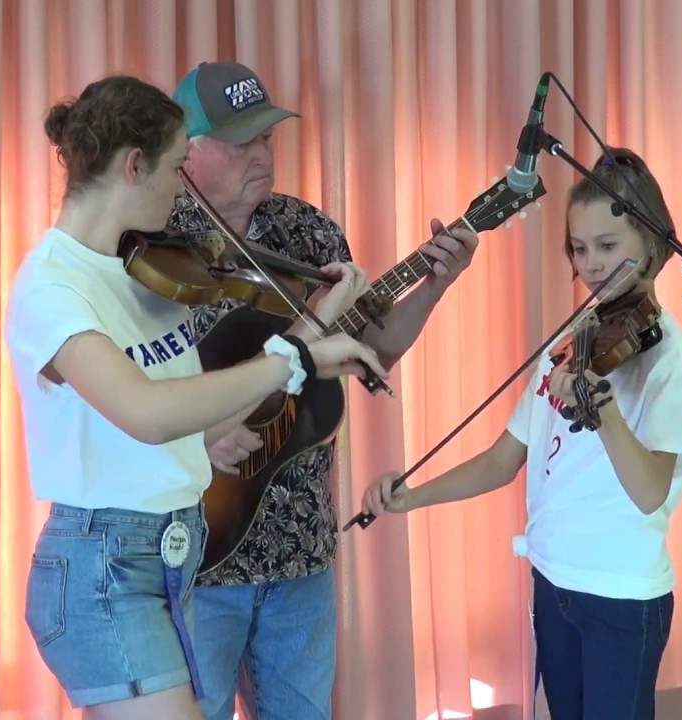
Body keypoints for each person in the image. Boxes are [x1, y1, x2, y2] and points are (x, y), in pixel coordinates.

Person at [4, 74, 387, 720]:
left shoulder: (143, 272)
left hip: (171, 555)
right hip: (104, 568)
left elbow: (197, 414)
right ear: (134, 167)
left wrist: (312, 336)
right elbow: (149, 415)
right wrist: (292, 357)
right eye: (176, 167)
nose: (182, 187)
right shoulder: (53, 288)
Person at [167, 61, 481, 720]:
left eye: (267, 138)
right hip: (196, 555)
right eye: (241, 140)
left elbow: (376, 343)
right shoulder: (152, 243)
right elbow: (119, 383)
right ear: (185, 151)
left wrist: (437, 282)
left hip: (299, 543)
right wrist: (195, 427)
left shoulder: (305, 231)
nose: (261, 154)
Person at [362, 148, 682, 720]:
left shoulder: (666, 356)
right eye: (579, 247)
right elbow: (503, 460)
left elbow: (651, 492)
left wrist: (603, 408)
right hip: (554, 580)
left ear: (650, 244)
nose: (592, 263)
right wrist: (413, 496)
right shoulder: (574, 340)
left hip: (620, 594)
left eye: (607, 246)